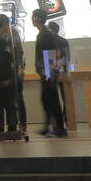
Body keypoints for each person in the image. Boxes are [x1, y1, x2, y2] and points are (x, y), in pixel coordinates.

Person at [34, 9, 67, 137]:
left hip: (48, 72)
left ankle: (59, 128)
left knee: (52, 99)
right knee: (46, 99)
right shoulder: (43, 34)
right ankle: (48, 126)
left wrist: (48, 73)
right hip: (46, 72)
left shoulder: (45, 35)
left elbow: (49, 54)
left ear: (37, 19)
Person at [0, 13, 19, 138]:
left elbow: (16, 54)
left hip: (11, 76)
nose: (8, 26)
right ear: (1, 25)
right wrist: (2, 78)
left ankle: (12, 128)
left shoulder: (12, 36)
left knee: (11, 104)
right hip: (1, 77)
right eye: (6, 23)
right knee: (0, 105)